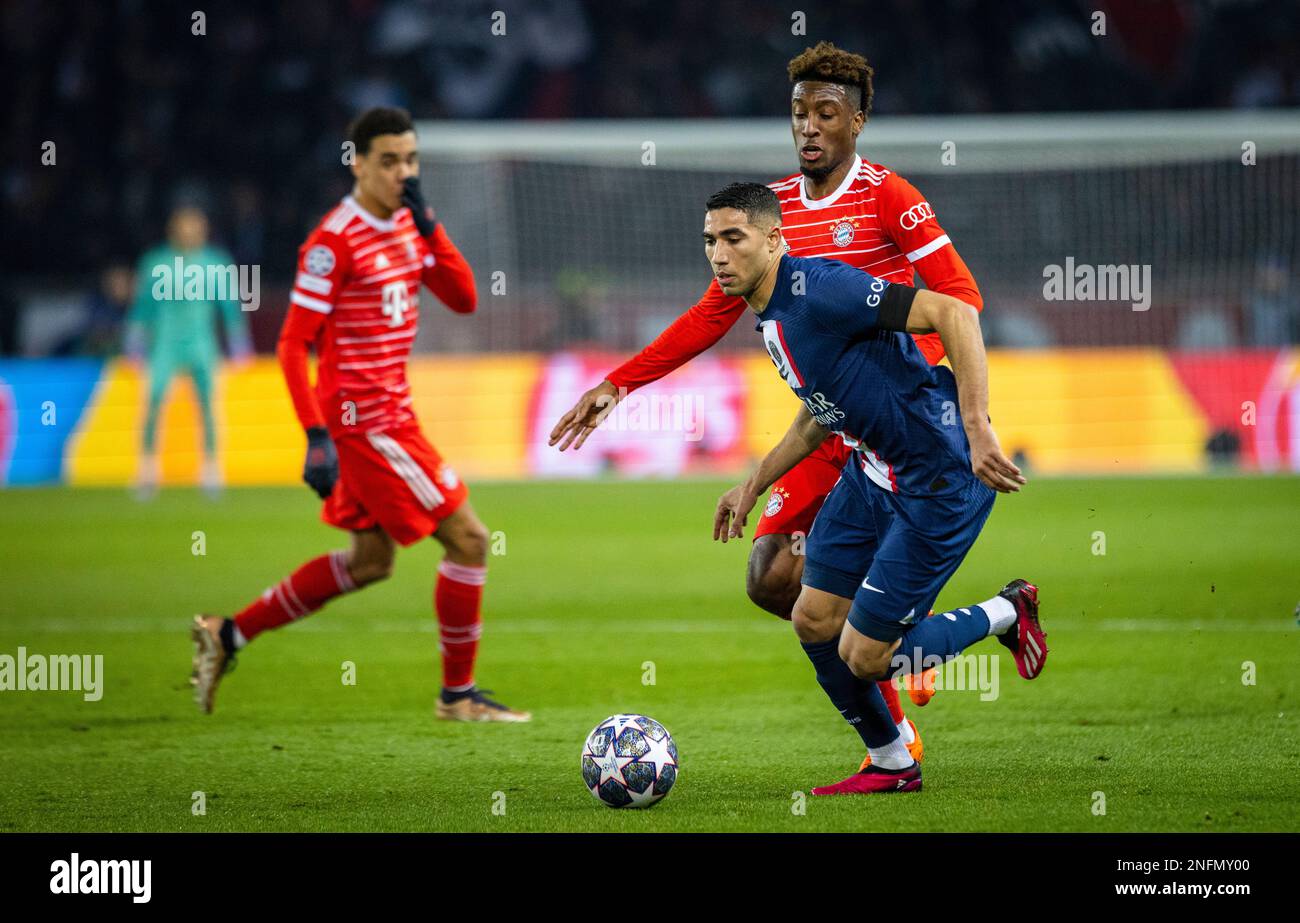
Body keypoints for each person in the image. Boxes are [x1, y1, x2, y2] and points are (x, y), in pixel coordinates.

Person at [550, 42, 986, 758]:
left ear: (858, 121)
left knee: (852, 610)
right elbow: (710, 313)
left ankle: (892, 660)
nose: (809, 127)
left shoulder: (889, 197)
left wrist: (903, 383)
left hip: (892, 418)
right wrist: (619, 383)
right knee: (770, 577)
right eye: (798, 113)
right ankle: (885, 651)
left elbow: (961, 299)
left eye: (826, 113)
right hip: (827, 420)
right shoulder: (770, 210)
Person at [190, 107, 529, 722]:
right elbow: (294, 343)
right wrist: (315, 434)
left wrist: (430, 227)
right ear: (358, 164)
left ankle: (228, 633)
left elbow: (464, 298)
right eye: (389, 161)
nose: (403, 172)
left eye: (411, 159)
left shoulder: (408, 224)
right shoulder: (332, 241)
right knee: (471, 541)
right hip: (367, 421)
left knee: (369, 563)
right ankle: (457, 697)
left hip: (391, 413)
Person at [705, 182, 1045, 794]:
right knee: (811, 619)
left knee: (865, 655)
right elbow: (819, 413)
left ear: (774, 239)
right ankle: (892, 762)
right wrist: (752, 484)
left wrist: (977, 428)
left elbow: (955, 311)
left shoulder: (821, 290)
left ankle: (1005, 611)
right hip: (873, 472)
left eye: (734, 238)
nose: (719, 255)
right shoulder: (773, 317)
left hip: (939, 476)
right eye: (710, 241)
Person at [126, 206, 251, 497]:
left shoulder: (216, 263)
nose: (189, 232)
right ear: (173, 229)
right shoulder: (156, 262)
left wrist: (239, 344)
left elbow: (230, 306)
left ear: (204, 230)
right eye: (184, 226)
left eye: (194, 226)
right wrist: (134, 343)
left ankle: (210, 468)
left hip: (201, 343)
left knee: (209, 405)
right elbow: (142, 306)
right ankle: (147, 469)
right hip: (164, 344)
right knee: (154, 400)